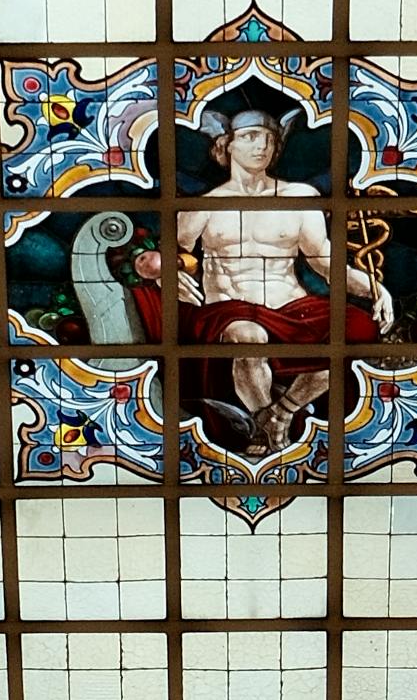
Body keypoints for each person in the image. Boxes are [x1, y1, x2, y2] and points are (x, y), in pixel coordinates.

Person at [165, 98, 387, 451]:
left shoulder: (300, 196)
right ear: (227, 145)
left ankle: (277, 415)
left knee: (358, 330)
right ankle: (270, 432)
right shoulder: (201, 206)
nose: (262, 146)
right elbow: (169, 256)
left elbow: (324, 261)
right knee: (251, 337)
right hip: (229, 308)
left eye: (269, 139)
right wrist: (168, 274)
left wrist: (374, 289)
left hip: (290, 304)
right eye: (251, 136)